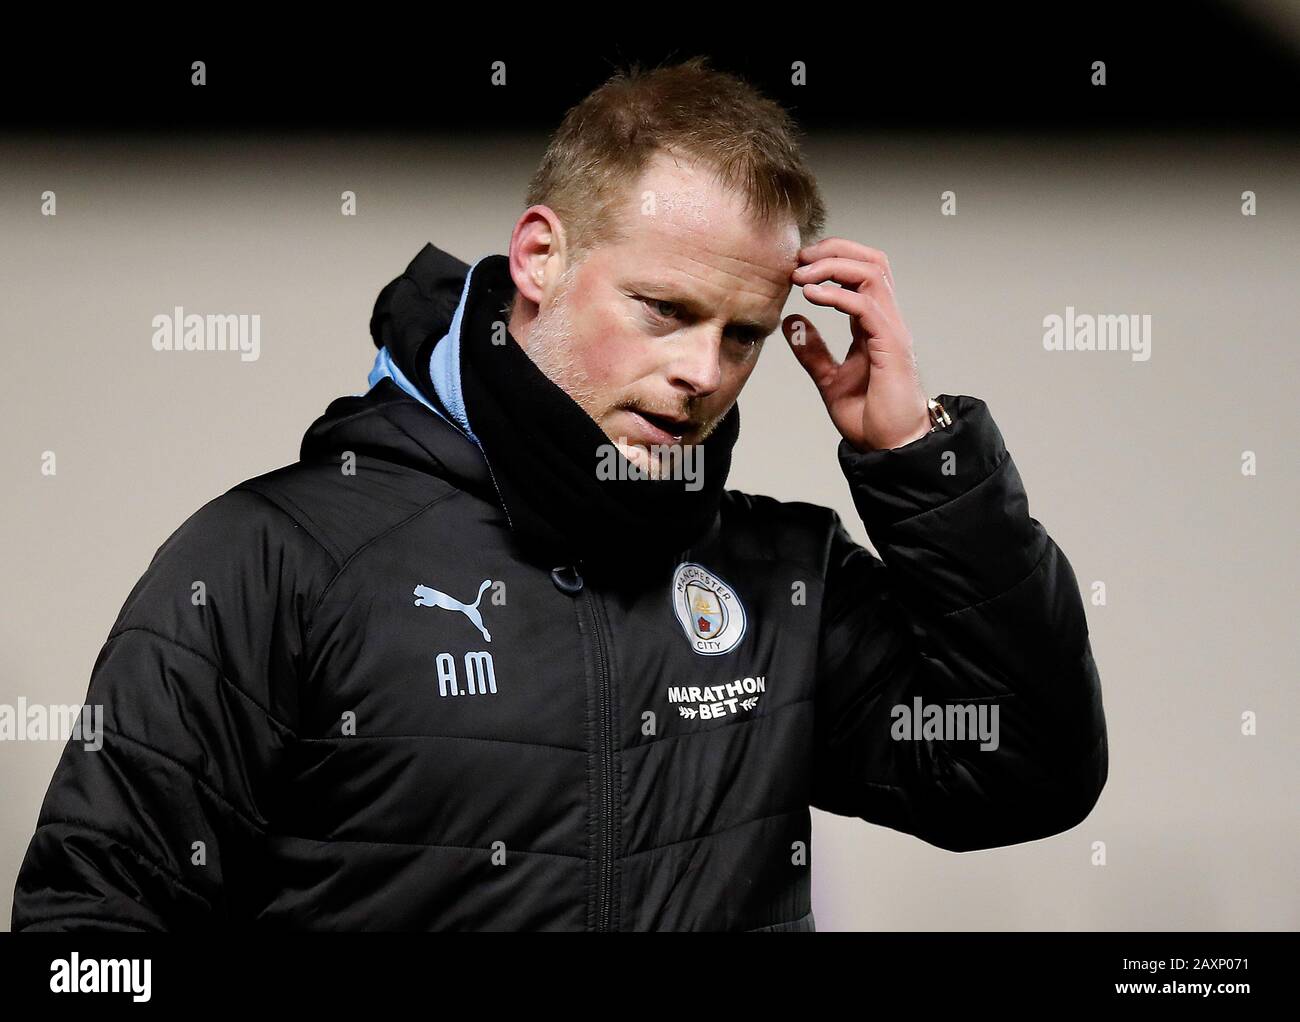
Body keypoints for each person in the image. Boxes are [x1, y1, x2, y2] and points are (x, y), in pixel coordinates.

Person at [11, 57, 1107, 932]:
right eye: (663, 309)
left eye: (742, 335)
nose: (702, 370)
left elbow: (1026, 770)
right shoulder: (271, 556)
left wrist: (920, 457)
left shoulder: (780, 579)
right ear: (538, 256)